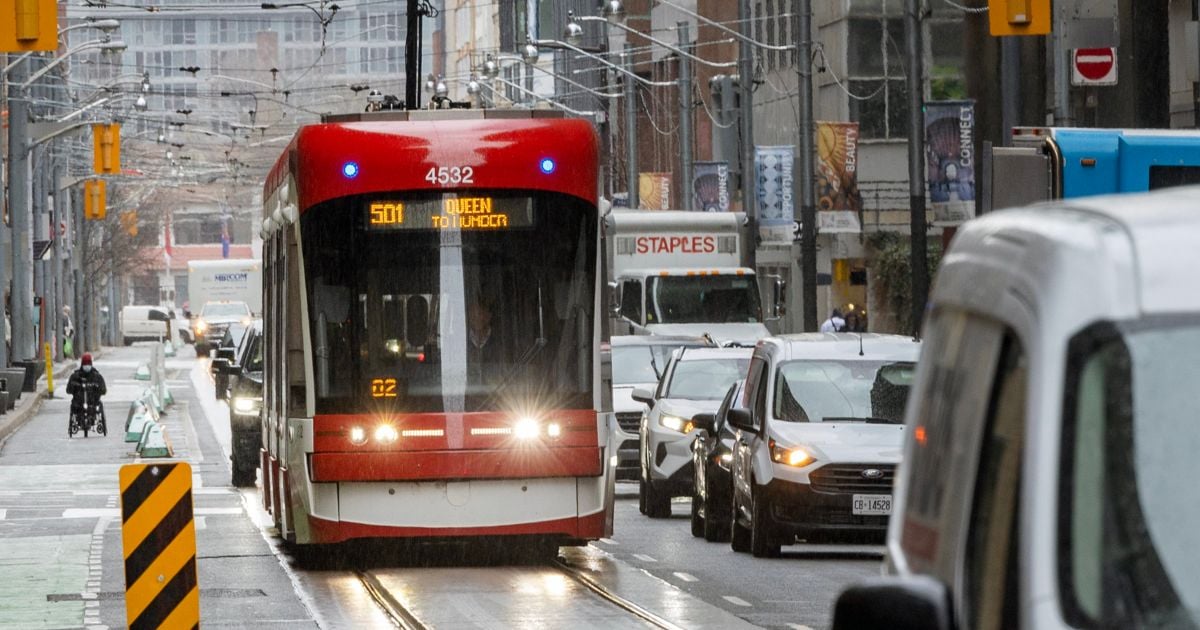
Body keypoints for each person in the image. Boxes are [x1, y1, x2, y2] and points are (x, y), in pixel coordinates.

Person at [67, 354, 107, 431]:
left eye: (88, 364)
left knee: (97, 406)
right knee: (74, 406)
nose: (87, 366)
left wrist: (96, 387)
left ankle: (92, 419)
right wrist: (75, 386)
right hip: (79, 402)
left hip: (93, 402)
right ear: (82, 364)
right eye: (85, 364)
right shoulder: (75, 376)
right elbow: (68, 390)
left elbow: (103, 390)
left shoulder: (97, 376)